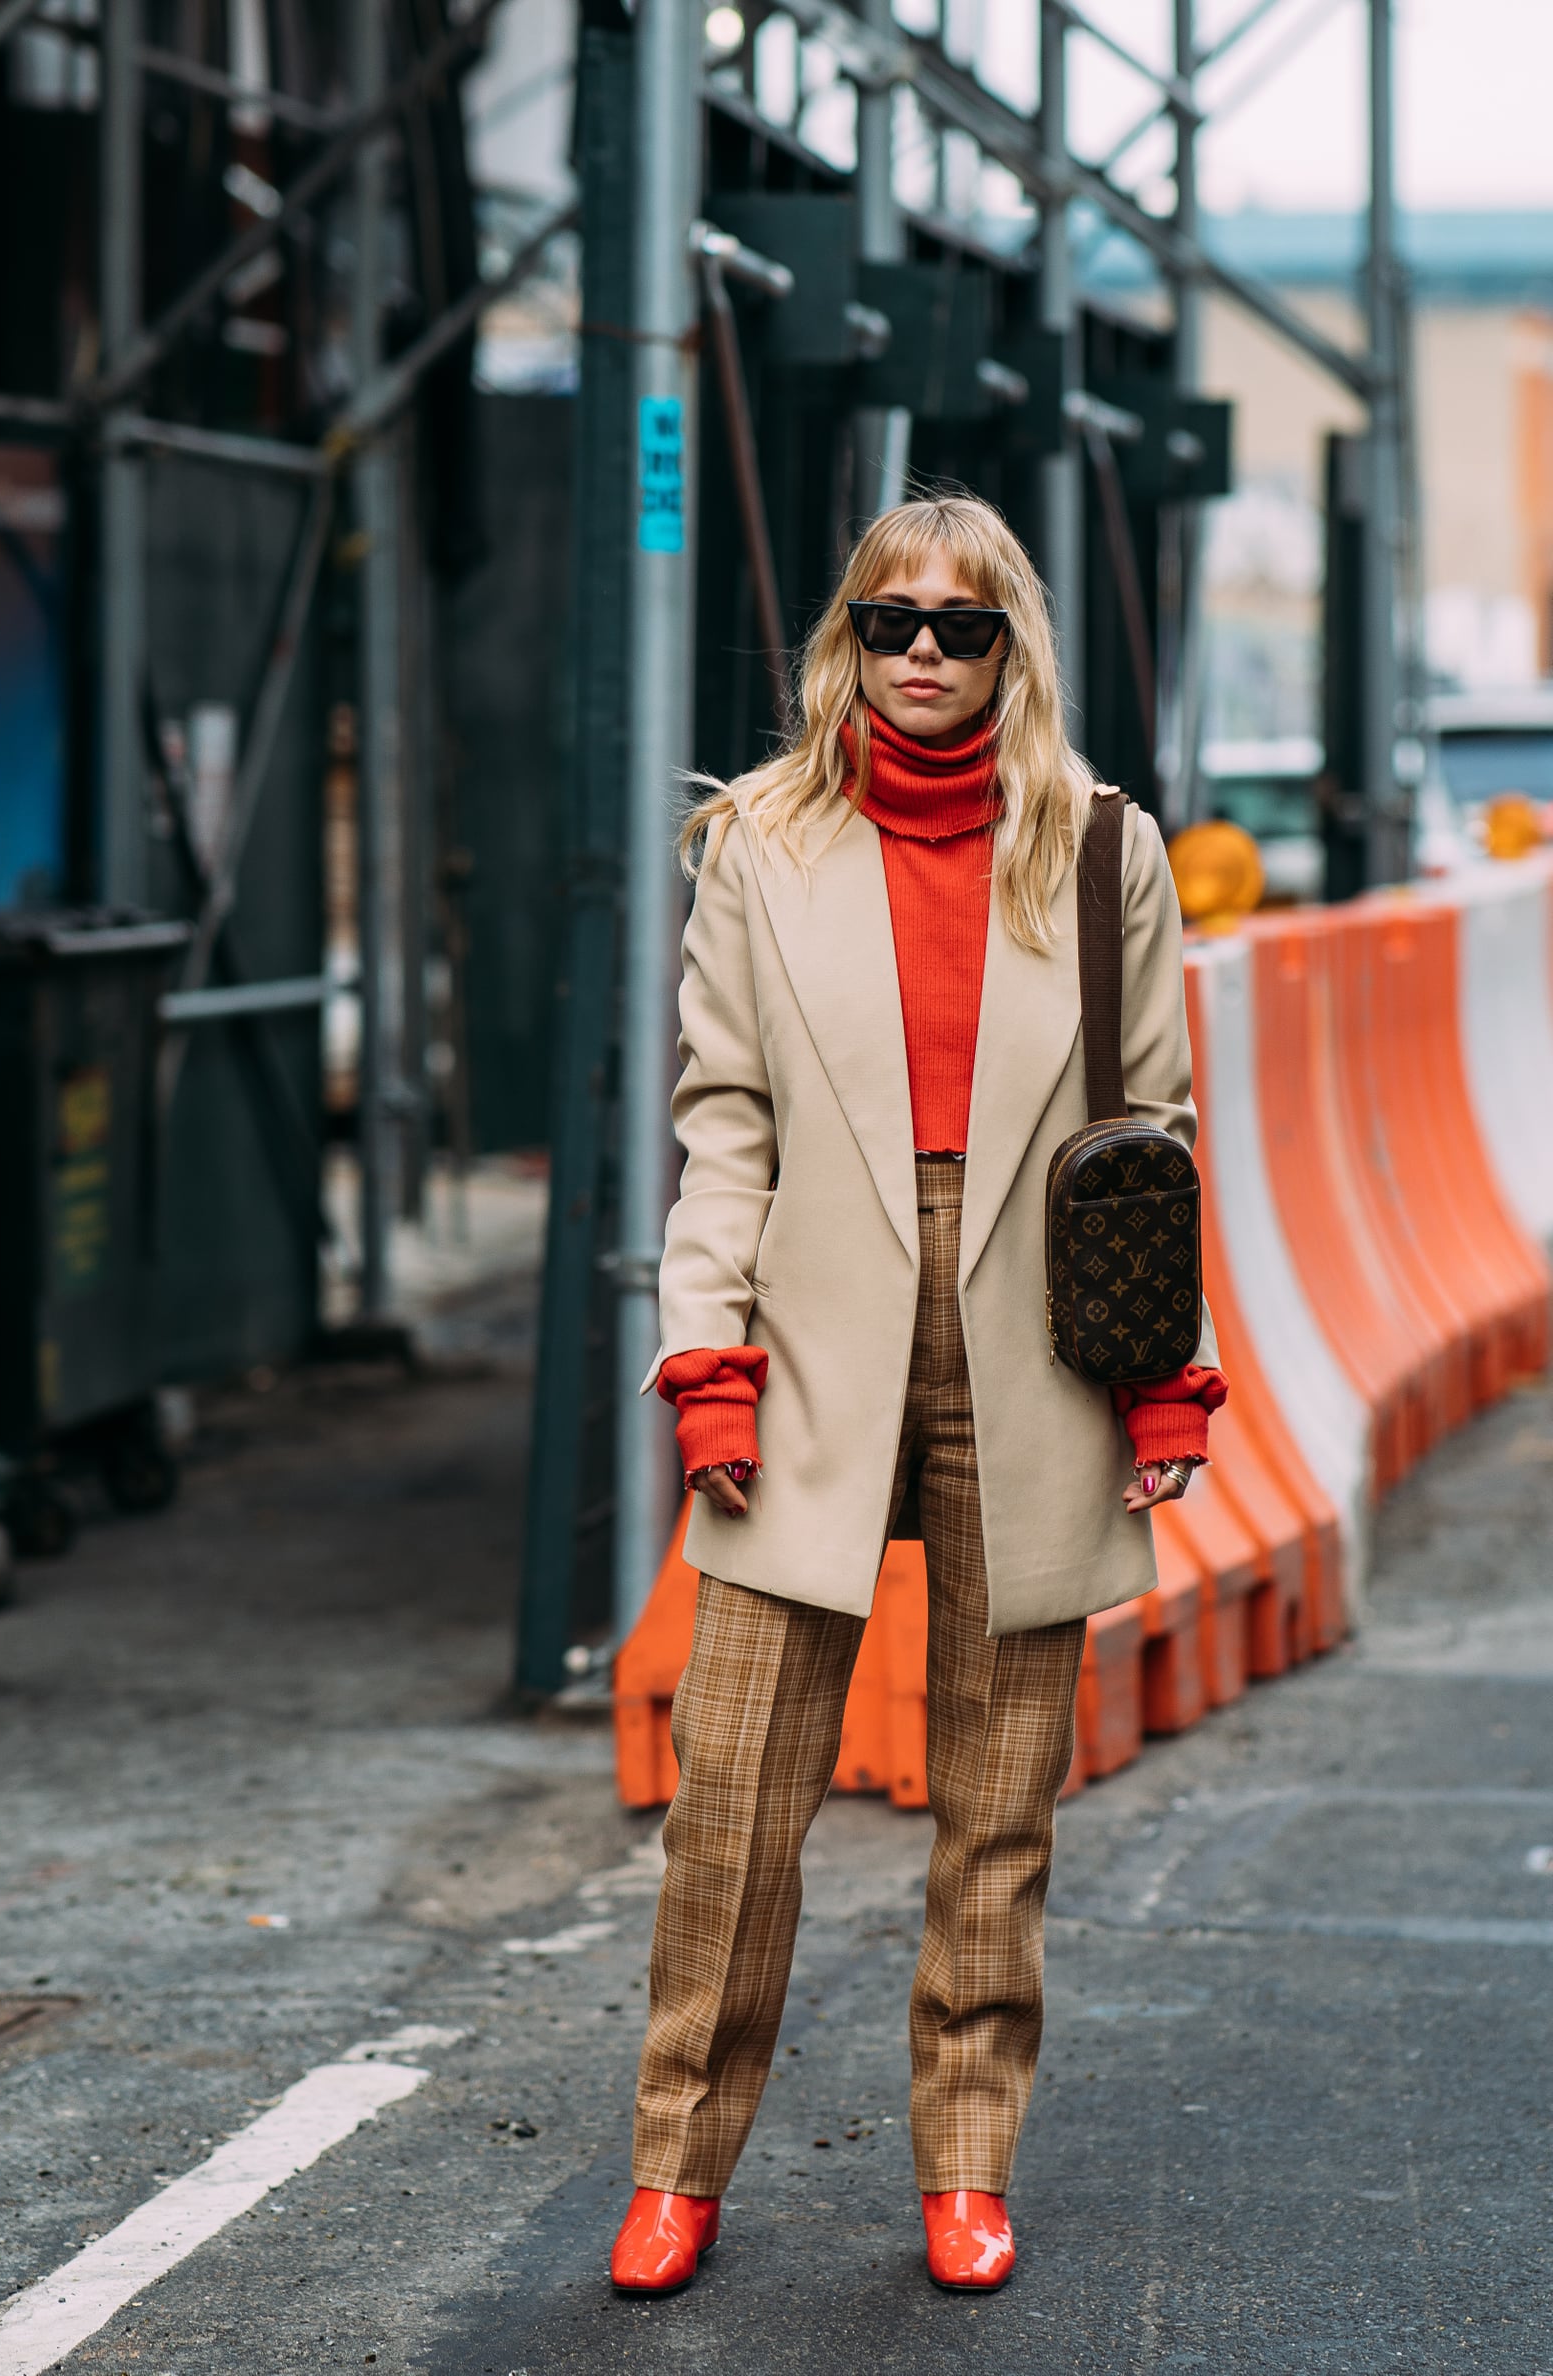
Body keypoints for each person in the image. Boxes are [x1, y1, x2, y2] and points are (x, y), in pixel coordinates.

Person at [609, 493, 1226, 2297]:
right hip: (810, 1326)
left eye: (967, 625)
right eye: (895, 624)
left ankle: (965, 2164)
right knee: (732, 1789)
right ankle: (677, 2165)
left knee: (998, 1795)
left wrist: (1164, 1385)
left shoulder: (1104, 848)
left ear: (1017, 643)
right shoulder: (761, 842)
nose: (930, 655)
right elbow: (725, 1130)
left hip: (1035, 1325)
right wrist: (709, 1359)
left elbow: (1155, 1138)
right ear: (849, 642)